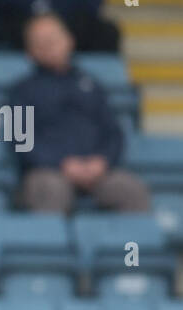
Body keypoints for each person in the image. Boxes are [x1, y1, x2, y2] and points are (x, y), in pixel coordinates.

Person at [10, 13, 150, 214]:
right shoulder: (21, 91)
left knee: (130, 189)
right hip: (48, 172)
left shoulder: (92, 85)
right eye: (40, 42)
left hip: (97, 171)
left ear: (69, 40)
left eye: (53, 38)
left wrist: (102, 161)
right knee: (51, 189)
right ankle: (50, 245)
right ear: (30, 51)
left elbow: (113, 133)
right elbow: (20, 141)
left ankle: (131, 246)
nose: (49, 46)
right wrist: (61, 163)